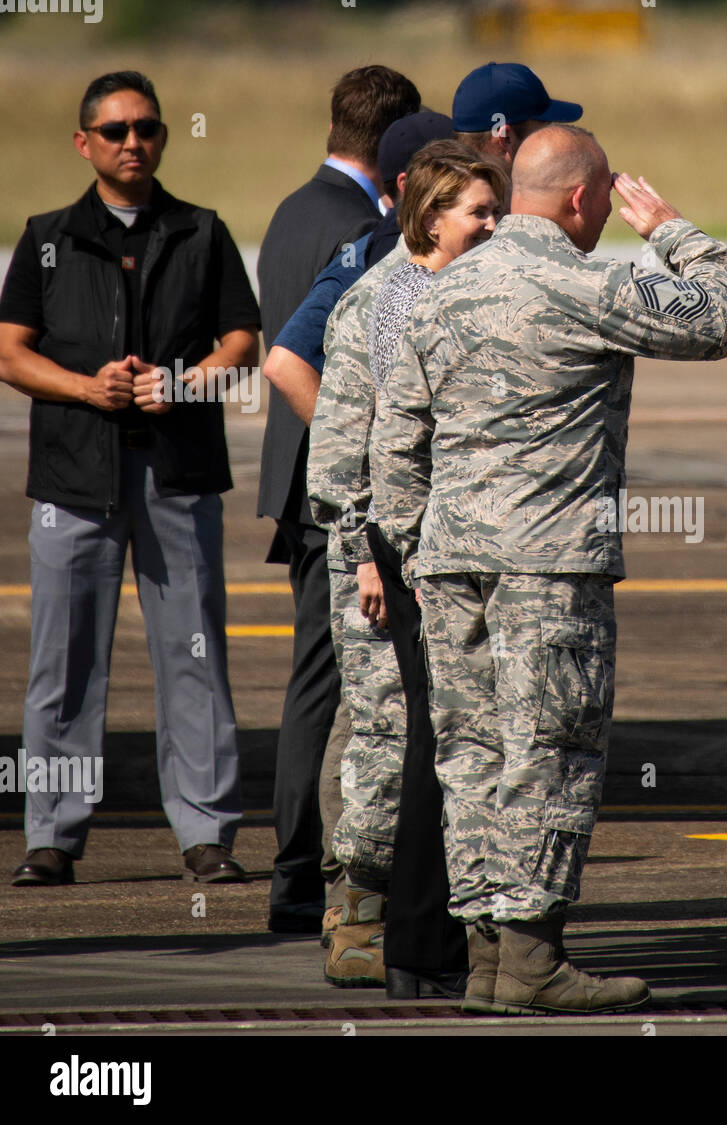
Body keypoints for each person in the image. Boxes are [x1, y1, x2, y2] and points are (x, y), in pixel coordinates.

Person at [371, 124, 727, 1015]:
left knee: (470, 756)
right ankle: (535, 958)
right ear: (582, 201)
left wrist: (415, 549)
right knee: (551, 751)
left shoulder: (436, 290)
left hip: (451, 564)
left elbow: (395, 446)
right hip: (546, 566)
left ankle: (485, 963)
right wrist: (672, 229)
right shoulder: (587, 282)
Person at [0, 71, 259, 886]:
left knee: (193, 653)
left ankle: (206, 832)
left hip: (176, 474)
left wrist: (181, 383)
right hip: (74, 476)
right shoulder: (47, 236)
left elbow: (243, 345)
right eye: (114, 131)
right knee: (64, 659)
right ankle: (51, 833)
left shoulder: (201, 231)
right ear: (85, 143)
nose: (132, 142)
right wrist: (87, 388)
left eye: (146, 128)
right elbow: (10, 351)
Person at [308, 140, 507, 990]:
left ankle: (444, 921)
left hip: (448, 551)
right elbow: (345, 447)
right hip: (382, 555)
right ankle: (357, 912)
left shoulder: (464, 291)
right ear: (430, 218)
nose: (494, 225)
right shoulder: (386, 303)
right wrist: (365, 556)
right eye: (478, 213)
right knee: (385, 735)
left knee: (448, 740)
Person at [256, 65, 421, 934]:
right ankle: (300, 874)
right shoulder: (362, 227)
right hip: (331, 487)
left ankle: (298, 870)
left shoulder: (291, 208)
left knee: (315, 676)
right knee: (331, 685)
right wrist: (353, 450)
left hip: (292, 478)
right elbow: (300, 361)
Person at [451, 61, 583, 170]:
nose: (550, 144)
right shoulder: (500, 200)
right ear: (505, 138)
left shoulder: (437, 192)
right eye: (542, 133)